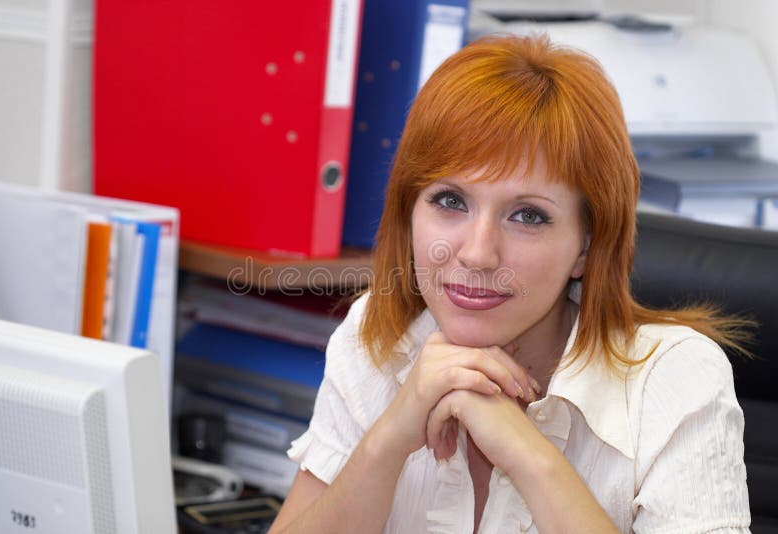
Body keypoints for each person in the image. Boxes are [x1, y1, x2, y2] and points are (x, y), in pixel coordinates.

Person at [268, 34, 753, 533]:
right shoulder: (379, 336)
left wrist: (528, 457)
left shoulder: (673, 379)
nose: (477, 253)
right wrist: (388, 438)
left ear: (585, 246)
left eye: (528, 215)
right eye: (450, 201)